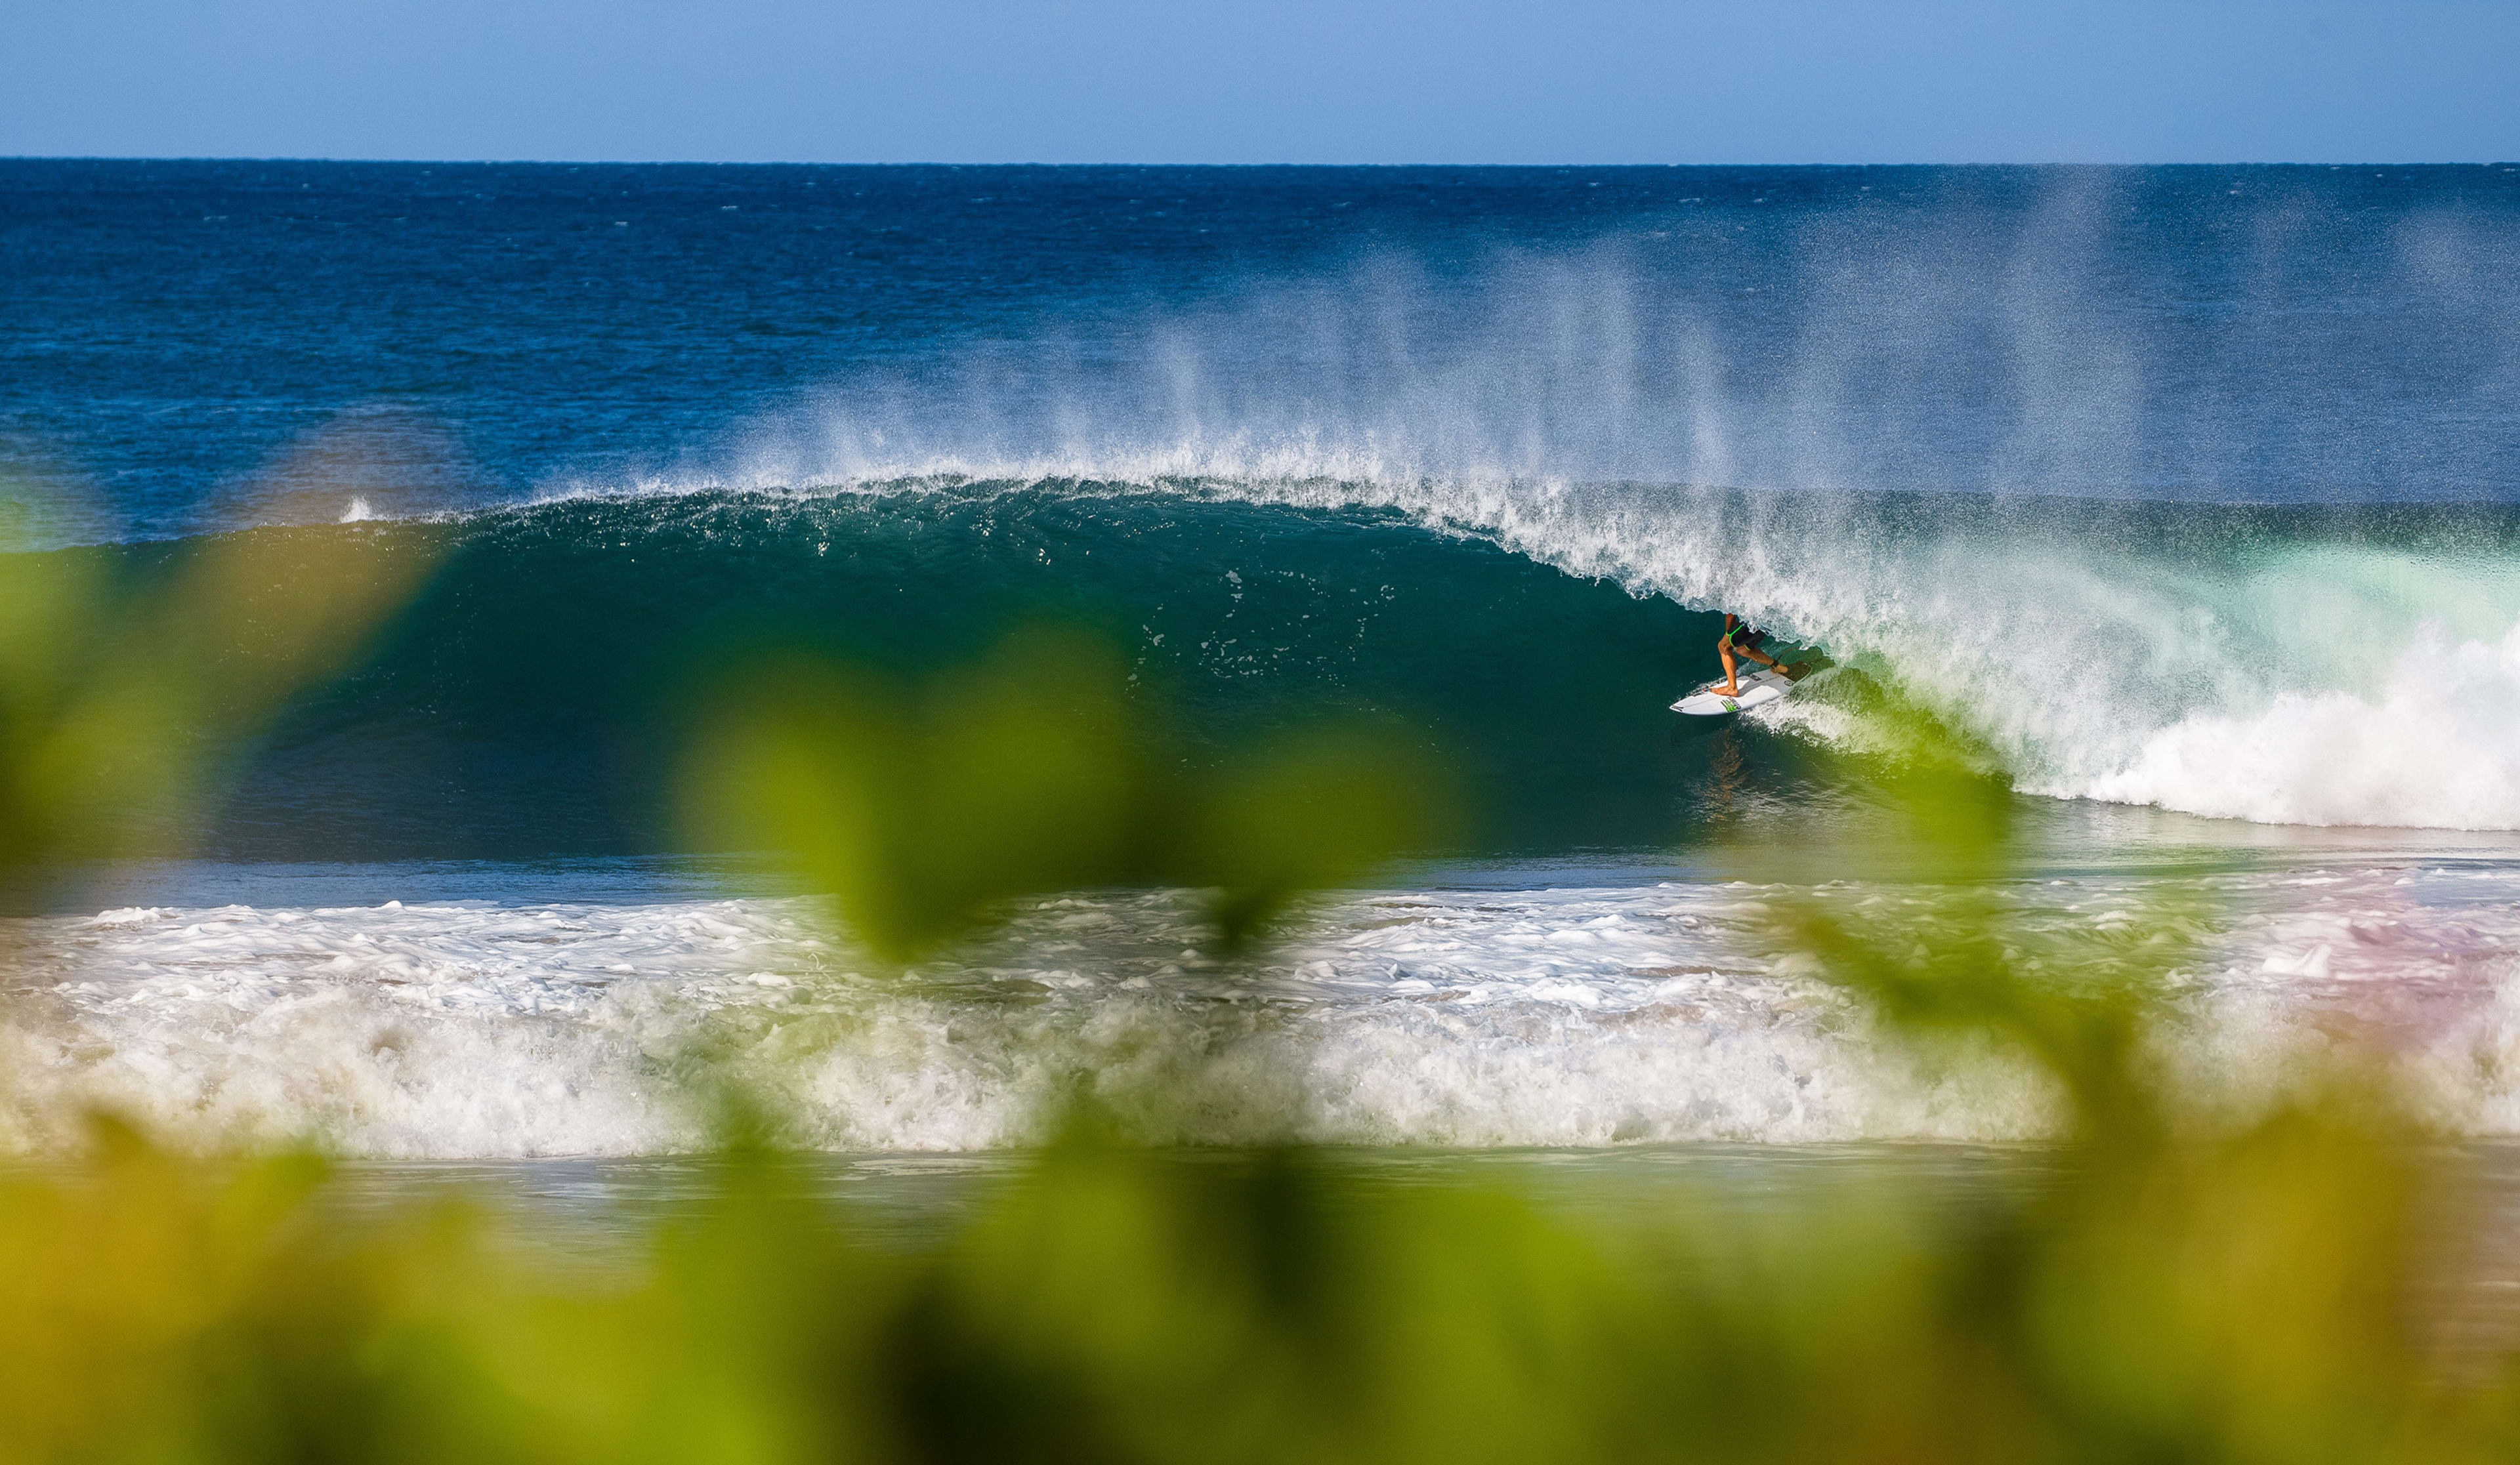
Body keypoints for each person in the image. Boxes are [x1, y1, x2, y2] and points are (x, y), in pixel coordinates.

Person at [1711, 613, 1784, 697]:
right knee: (1743, 650)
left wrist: (1728, 636)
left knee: (1723, 646)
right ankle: (1778, 667)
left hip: (1751, 623)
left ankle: (1732, 688)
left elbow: (1730, 615)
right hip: (1766, 624)